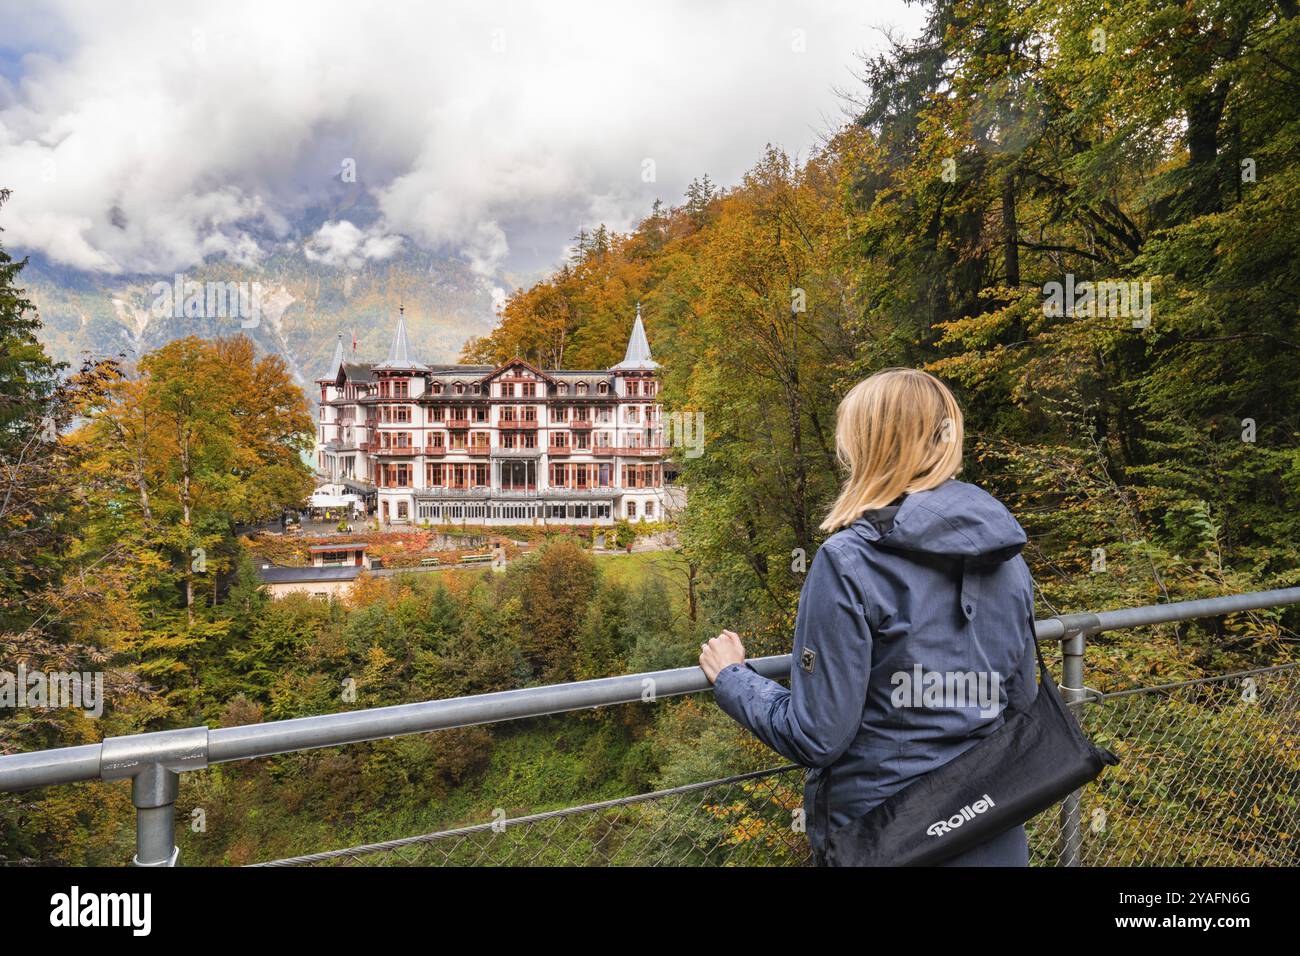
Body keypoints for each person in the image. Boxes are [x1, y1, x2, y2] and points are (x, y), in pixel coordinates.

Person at [699, 368, 1038, 866]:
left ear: (870, 446)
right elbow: (1021, 703)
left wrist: (733, 678)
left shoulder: (849, 560)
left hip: (887, 836)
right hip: (990, 828)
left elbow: (817, 734)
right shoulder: (1008, 556)